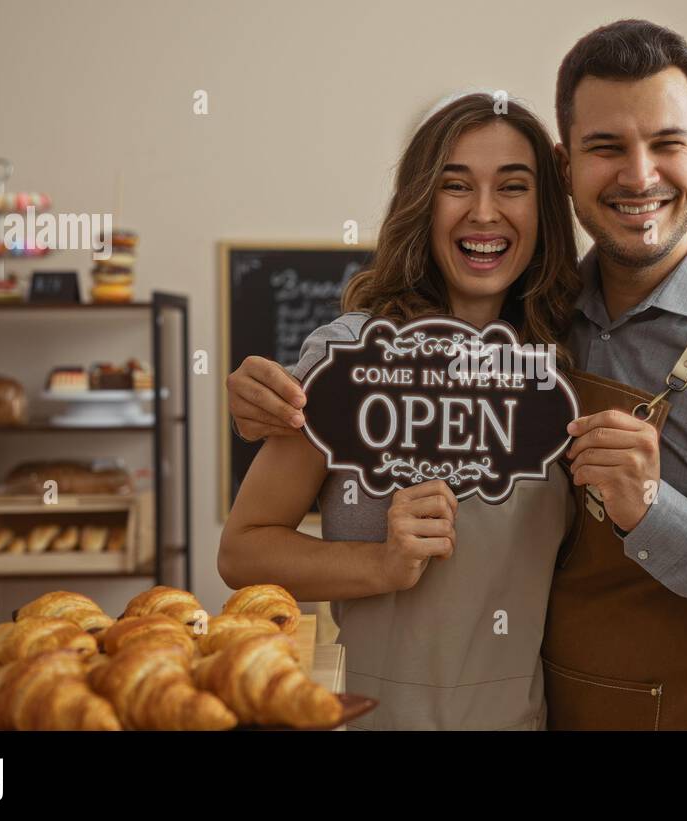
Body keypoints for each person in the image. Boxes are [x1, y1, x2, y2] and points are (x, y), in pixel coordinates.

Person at [227, 19, 687, 730]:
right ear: (569, 171)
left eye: (666, 143)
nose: (638, 174)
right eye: (607, 147)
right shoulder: (556, 327)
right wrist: (267, 403)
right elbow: (249, 541)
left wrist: (657, 514)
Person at [219, 93, 581, 730]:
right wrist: (381, 564)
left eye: (513, 187)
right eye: (455, 185)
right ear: (422, 201)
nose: (484, 212)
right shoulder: (350, 359)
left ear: (544, 210)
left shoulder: (562, 372)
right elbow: (242, 551)